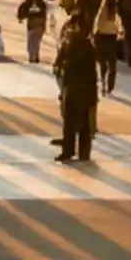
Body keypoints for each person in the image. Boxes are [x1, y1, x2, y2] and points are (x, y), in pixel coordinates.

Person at [55, 17, 98, 163]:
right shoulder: (89, 48)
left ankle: (68, 150)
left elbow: (65, 67)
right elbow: (93, 72)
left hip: (74, 87)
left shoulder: (71, 46)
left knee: (70, 122)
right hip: (85, 88)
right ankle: (83, 152)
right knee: (84, 123)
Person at [92, 0, 122, 95]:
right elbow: (99, 26)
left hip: (106, 39)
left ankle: (107, 84)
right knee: (108, 65)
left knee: (106, 65)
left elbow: (97, 26)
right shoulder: (106, 14)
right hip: (105, 39)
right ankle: (107, 84)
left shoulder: (113, 15)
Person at [17, 0, 49, 64]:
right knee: (36, 41)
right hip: (40, 23)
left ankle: (32, 57)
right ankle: (36, 56)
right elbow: (44, 13)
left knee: (31, 41)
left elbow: (23, 8)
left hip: (32, 23)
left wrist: (20, 17)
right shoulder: (42, 1)